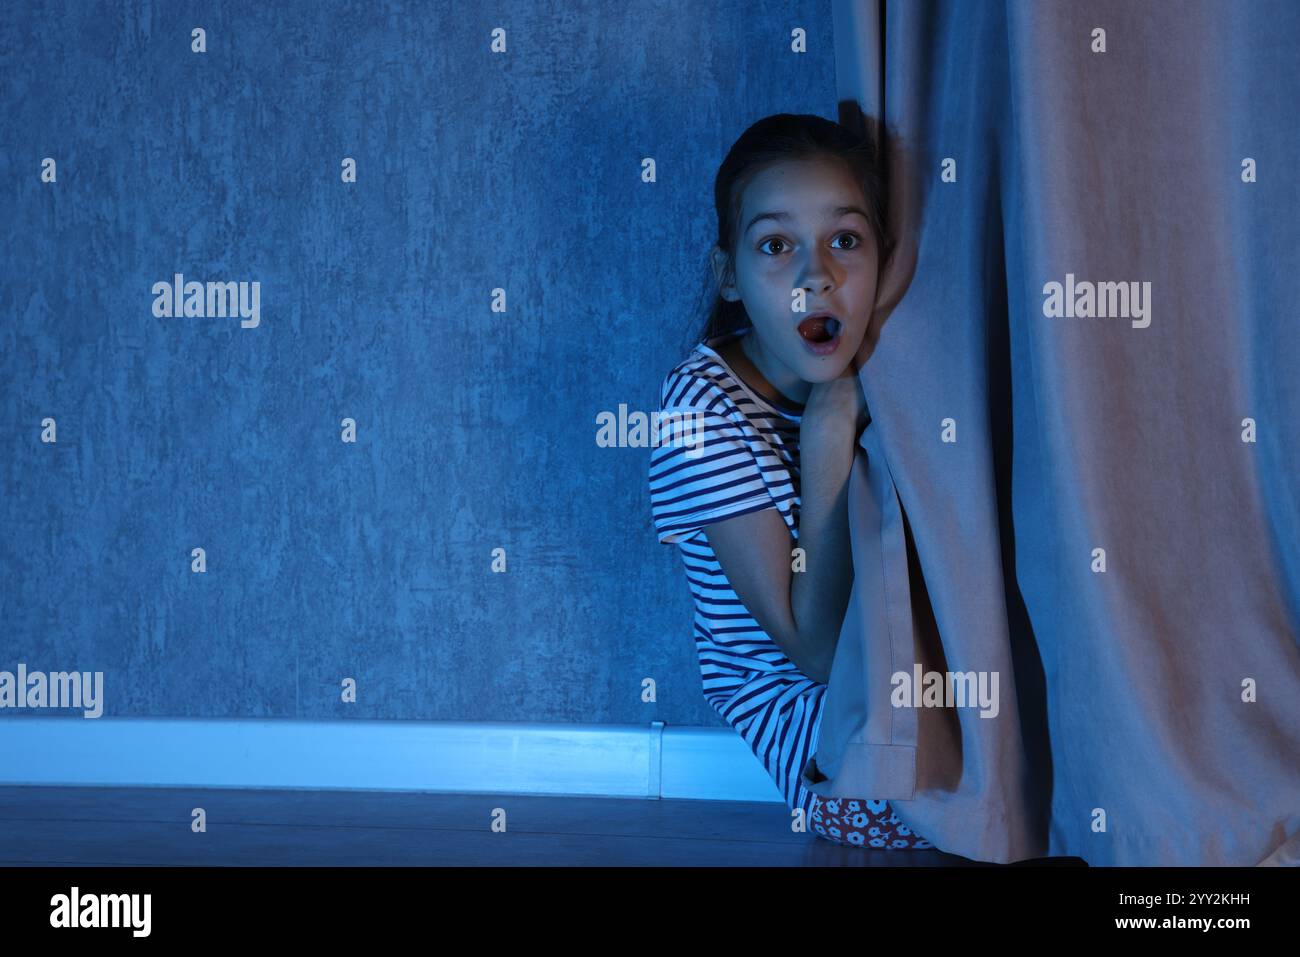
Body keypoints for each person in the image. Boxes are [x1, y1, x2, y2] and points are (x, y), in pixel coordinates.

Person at [648, 113, 932, 850]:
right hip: (821, 738)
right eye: (777, 246)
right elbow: (812, 649)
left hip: (900, 678)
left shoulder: (892, 353)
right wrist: (828, 440)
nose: (819, 276)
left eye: (845, 240)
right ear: (730, 278)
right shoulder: (696, 412)